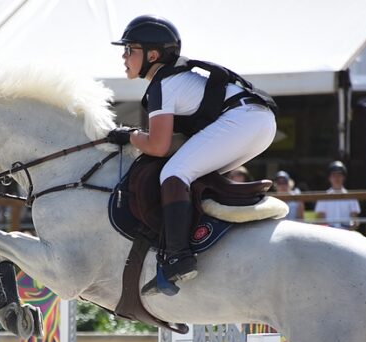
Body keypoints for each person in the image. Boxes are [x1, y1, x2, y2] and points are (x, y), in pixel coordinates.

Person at [106, 15, 277, 295]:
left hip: (243, 119)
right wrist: (138, 137)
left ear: (152, 54)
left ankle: (178, 256)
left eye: (129, 49)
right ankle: (203, 235)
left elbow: (158, 146)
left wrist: (130, 136)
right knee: (189, 172)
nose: (123, 56)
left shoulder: (162, 85)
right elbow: (172, 143)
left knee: (174, 173)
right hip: (258, 122)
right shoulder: (174, 78)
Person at [313, 161, 360, 229]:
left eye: (339, 175)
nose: (336, 178)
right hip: (329, 233)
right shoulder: (323, 197)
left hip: (346, 232)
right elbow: (320, 219)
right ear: (329, 178)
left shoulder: (351, 197)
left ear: (343, 177)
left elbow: (354, 218)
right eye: (334, 175)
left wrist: (352, 225)